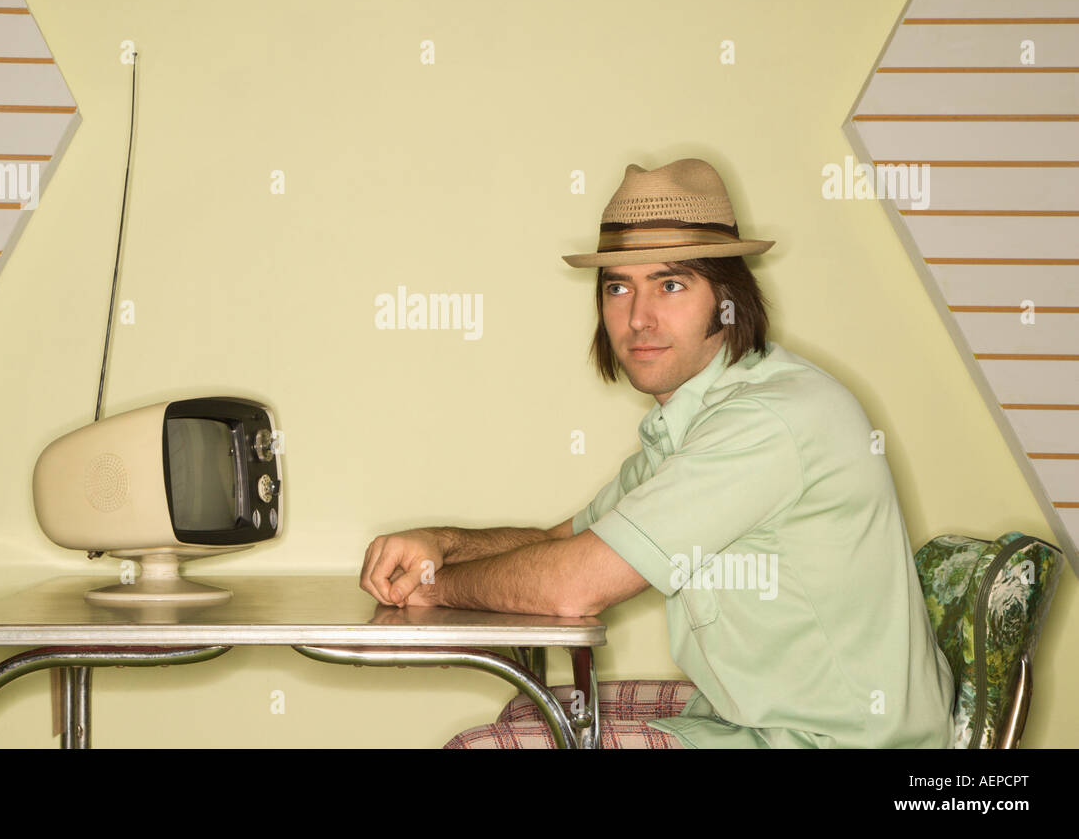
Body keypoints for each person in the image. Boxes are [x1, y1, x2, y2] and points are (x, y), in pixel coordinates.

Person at [359, 158, 956, 748]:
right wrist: (444, 544)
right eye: (619, 287)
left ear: (727, 295)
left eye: (671, 284)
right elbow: (561, 541)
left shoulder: (768, 420)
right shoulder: (696, 418)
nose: (639, 318)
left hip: (837, 741)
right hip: (747, 716)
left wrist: (434, 585)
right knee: (527, 714)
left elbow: (574, 585)